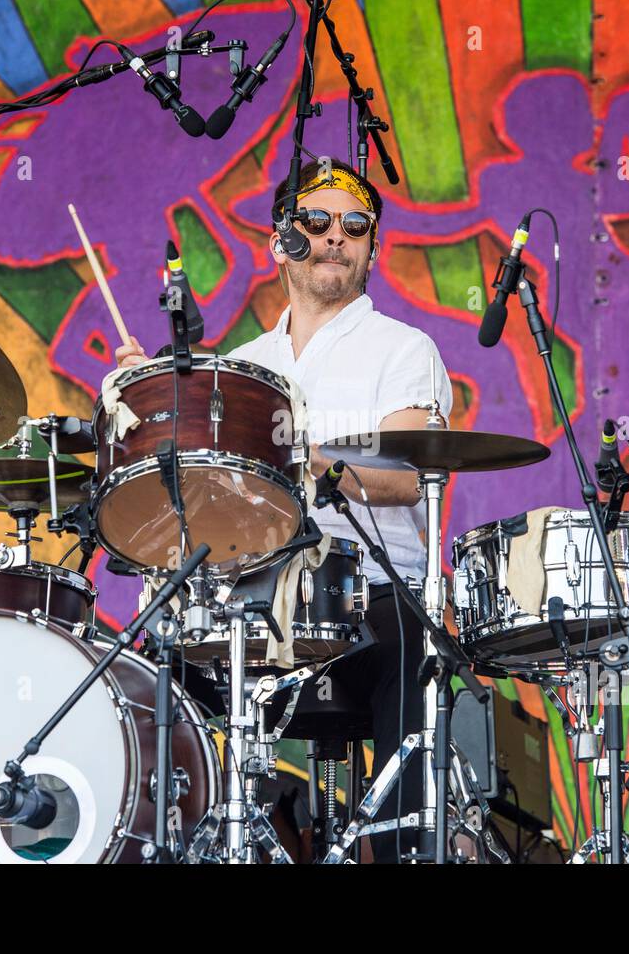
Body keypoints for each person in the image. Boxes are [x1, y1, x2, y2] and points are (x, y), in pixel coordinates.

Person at [116, 158, 452, 861]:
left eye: (355, 226)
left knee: (412, 639)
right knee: (149, 661)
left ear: (371, 246)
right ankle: (172, 842)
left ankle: (401, 850)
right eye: (318, 222)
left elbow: (405, 479)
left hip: (373, 598)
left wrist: (302, 456)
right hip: (254, 599)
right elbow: (207, 502)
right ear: (282, 241)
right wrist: (154, 411)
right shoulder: (243, 366)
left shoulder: (402, 347)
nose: (336, 237)